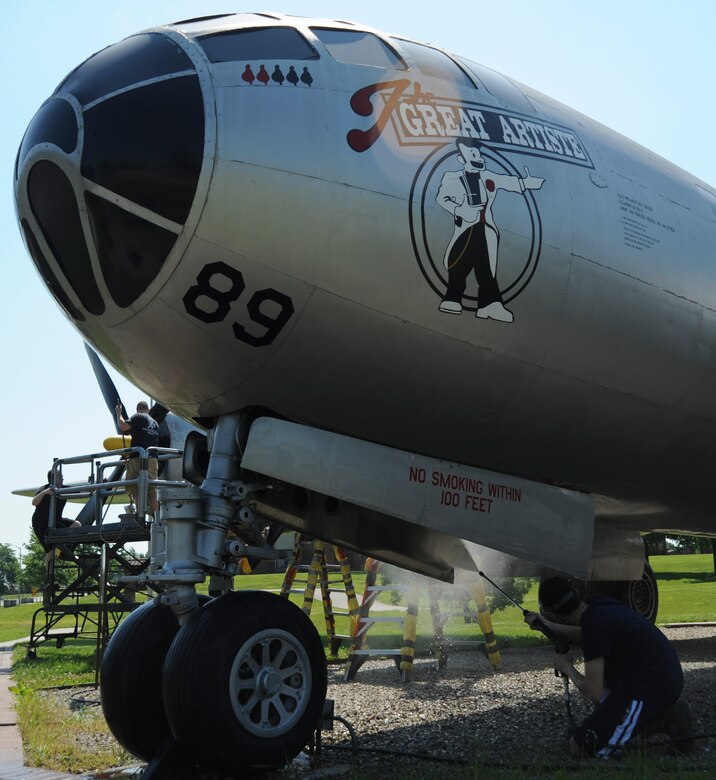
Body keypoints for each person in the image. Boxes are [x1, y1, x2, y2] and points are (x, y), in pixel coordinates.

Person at [524, 576, 693, 758]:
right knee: (601, 706)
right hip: (662, 677)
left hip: (648, 689)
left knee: (583, 749)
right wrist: (548, 625)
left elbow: (593, 690)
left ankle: (664, 717)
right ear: (576, 594)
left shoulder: (594, 626)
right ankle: (654, 713)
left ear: (554, 613)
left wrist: (566, 667)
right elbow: (587, 633)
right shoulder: (599, 606)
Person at [435, 138, 544, 322]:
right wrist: (458, 209)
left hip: (486, 228)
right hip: (466, 229)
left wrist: (526, 183)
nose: (477, 157)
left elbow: (508, 182)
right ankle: (456, 297)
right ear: (462, 160)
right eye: (472, 155)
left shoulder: (487, 177)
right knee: (461, 262)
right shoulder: (452, 178)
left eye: (478, 154)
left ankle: (487, 303)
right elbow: (441, 198)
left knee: (486, 265)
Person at [115, 401, 160, 515]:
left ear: (137, 409)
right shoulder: (155, 423)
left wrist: (118, 413)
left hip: (138, 458)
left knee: (136, 487)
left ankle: (140, 518)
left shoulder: (138, 416)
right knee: (152, 490)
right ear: (148, 410)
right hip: (153, 459)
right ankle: (157, 518)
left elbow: (123, 427)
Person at [31, 470, 80, 566]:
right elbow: (34, 502)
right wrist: (45, 492)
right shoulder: (44, 489)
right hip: (41, 523)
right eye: (60, 476)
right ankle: (49, 576)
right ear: (53, 478)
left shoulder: (64, 489)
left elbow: (84, 490)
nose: (62, 478)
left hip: (56, 520)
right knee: (50, 551)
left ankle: (63, 550)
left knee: (76, 525)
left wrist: (102, 484)